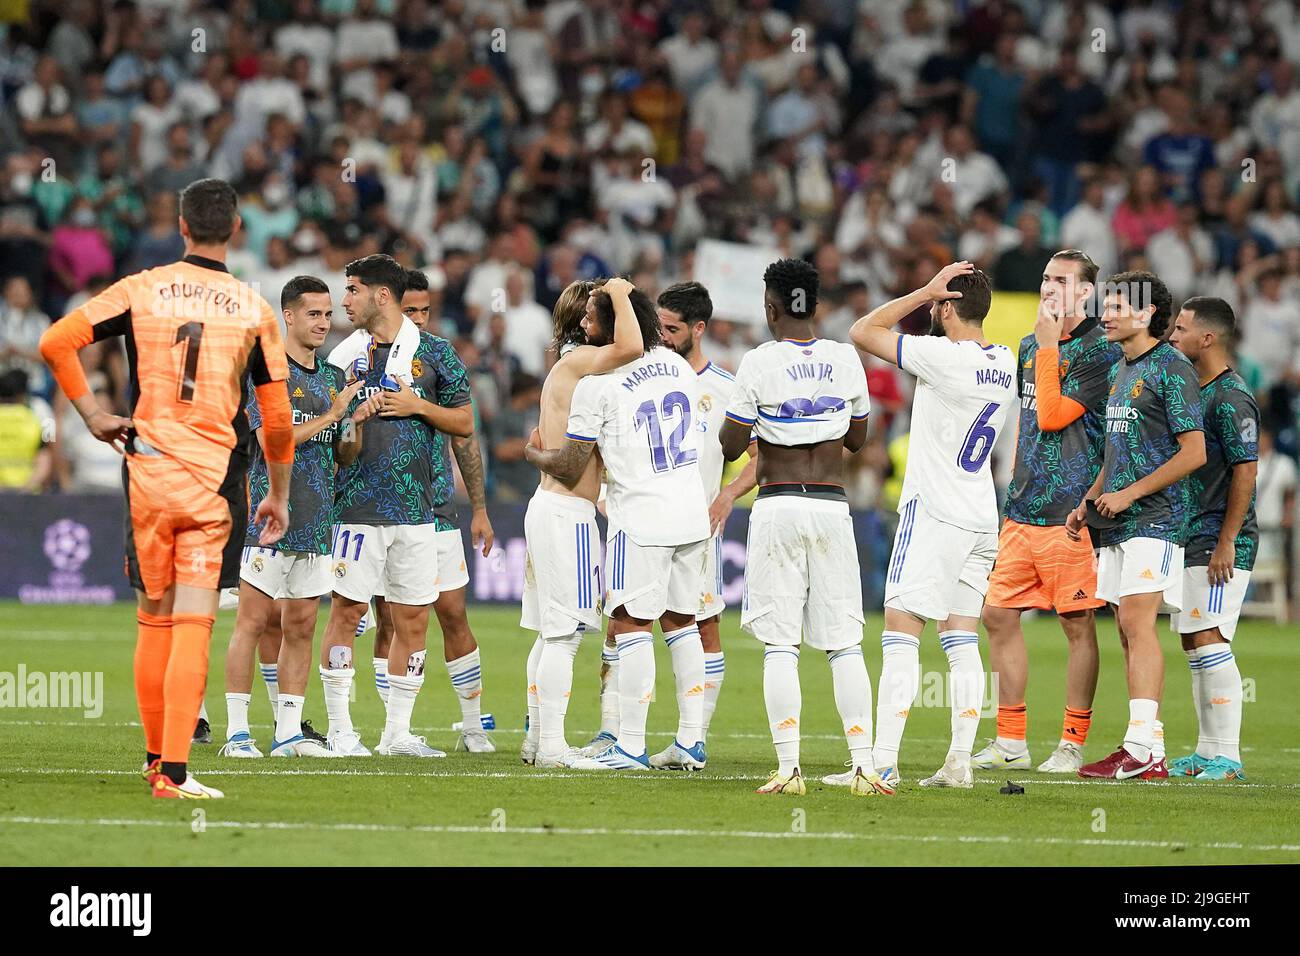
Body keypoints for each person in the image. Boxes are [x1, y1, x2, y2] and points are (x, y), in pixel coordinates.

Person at [39, 178, 294, 798]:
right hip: (211, 483)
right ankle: (175, 774)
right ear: (236, 230)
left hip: (145, 471)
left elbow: (56, 341)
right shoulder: (254, 310)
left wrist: (93, 416)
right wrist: (278, 494)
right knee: (194, 622)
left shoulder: (141, 289)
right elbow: (280, 423)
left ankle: (156, 760)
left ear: (180, 227)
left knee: (152, 618)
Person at [526, 286, 710, 772]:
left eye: (591, 319)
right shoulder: (677, 365)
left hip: (640, 516)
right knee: (682, 622)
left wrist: (531, 452)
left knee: (629, 625)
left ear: (615, 324)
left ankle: (629, 745)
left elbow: (570, 462)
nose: (584, 327)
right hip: (691, 512)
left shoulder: (596, 384)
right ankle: (690, 741)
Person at [716, 258, 882, 796]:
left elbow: (731, 446)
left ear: (770, 306)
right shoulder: (844, 358)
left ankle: (789, 769)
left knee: (781, 647)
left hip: (778, 507)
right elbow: (858, 439)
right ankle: (863, 765)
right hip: (832, 507)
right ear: (816, 304)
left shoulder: (758, 362)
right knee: (845, 646)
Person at [850, 261, 1017, 790]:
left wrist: (921, 289)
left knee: (901, 631)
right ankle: (959, 763)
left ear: (948, 306)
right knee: (962, 637)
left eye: (938, 303)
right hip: (979, 515)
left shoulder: (943, 357)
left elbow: (863, 331)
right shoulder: (1006, 361)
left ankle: (882, 763)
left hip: (934, 512)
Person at [586, 281, 759, 767]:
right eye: (656, 325)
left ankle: (686, 737)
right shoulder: (659, 373)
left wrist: (727, 494)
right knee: (625, 625)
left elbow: (758, 455)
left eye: (672, 328)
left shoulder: (723, 387)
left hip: (689, 525)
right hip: (665, 516)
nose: (660, 335)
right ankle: (613, 729)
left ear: (699, 329)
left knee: (693, 624)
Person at [317, 254, 474, 757]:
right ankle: (341, 730)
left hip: (417, 512)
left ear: (381, 296)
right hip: (357, 510)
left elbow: (465, 422)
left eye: (352, 291)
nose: (344, 302)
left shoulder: (437, 353)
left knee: (413, 620)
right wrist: (350, 422)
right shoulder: (342, 361)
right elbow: (332, 447)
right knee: (346, 615)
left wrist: (418, 406)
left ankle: (397, 733)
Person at [976, 250, 1120, 774]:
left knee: (1078, 624)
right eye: (1044, 279)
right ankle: (1011, 740)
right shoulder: (1029, 346)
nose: (1048, 288)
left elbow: (1058, 416)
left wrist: (1049, 344)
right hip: (1024, 506)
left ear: (1085, 293)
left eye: (1061, 281)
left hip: (1072, 510)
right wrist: (1013, 486)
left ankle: (1071, 743)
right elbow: (1031, 424)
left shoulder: (1099, 350)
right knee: (996, 615)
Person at [219, 275, 371, 758]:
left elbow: (342, 456)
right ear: (287, 315)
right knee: (252, 622)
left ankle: (288, 732)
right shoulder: (267, 373)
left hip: (316, 522)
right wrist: (333, 415)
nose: (324, 323)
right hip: (270, 521)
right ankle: (237, 732)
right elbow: (271, 441)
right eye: (313, 314)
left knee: (301, 626)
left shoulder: (330, 377)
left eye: (328, 314)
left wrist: (352, 422)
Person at [1066, 270, 1205, 780]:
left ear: (1147, 314)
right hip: (1118, 517)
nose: (1106, 314)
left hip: (1158, 516)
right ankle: (1147, 745)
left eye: (1118, 306)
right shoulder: (1124, 369)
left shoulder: (1172, 367)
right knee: (1127, 630)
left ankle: (1142, 750)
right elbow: (1118, 448)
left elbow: (1195, 452)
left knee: (1135, 624)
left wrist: (1129, 494)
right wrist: (1092, 496)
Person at [361, 267, 497, 753]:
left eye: (424, 310)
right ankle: (395, 728)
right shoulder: (361, 352)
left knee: (452, 612)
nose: (418, 317)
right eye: (411, 309)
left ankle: (473, 725)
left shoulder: (438, 355)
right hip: (374, 507)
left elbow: (465, 431)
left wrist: (478, 506)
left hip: (435, 505)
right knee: (388, 620)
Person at [515, 276, 640, 768]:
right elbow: (632, 345)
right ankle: (551, 748)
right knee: (565, 638)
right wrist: (625, 294)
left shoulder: (573, 368)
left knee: (550, 633)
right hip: (567, 512)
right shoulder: (582, 363)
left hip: (549, 509)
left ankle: (535, 741)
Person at [1168, 297, 1258, 781]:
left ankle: (1228, 757)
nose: (1172, 335)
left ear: (1208, 338)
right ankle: (1206, 751)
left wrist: (1228, 540)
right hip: (1191, 531)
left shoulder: (1231, 396)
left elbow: (1246, 469)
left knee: (1210, 636)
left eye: (1181, 329)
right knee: (1193, 641)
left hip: (1222, 538)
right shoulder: (1197, 389)